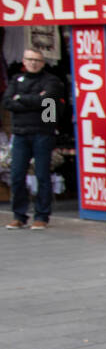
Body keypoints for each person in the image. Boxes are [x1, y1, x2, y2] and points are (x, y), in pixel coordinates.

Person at [4, 49, 65, 230]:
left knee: (42, 176)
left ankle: (42, 216)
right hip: (20, 134)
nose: (33, 63)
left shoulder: (51, 81)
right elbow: (7, 102)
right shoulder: (16, 80)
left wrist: (21, 99)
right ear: (24, 61)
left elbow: (48, 102)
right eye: (30, 59)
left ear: (43, 62)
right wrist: (35, 100)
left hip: (42, 133)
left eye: (37, 60)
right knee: (16, 175)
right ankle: (19, 215)